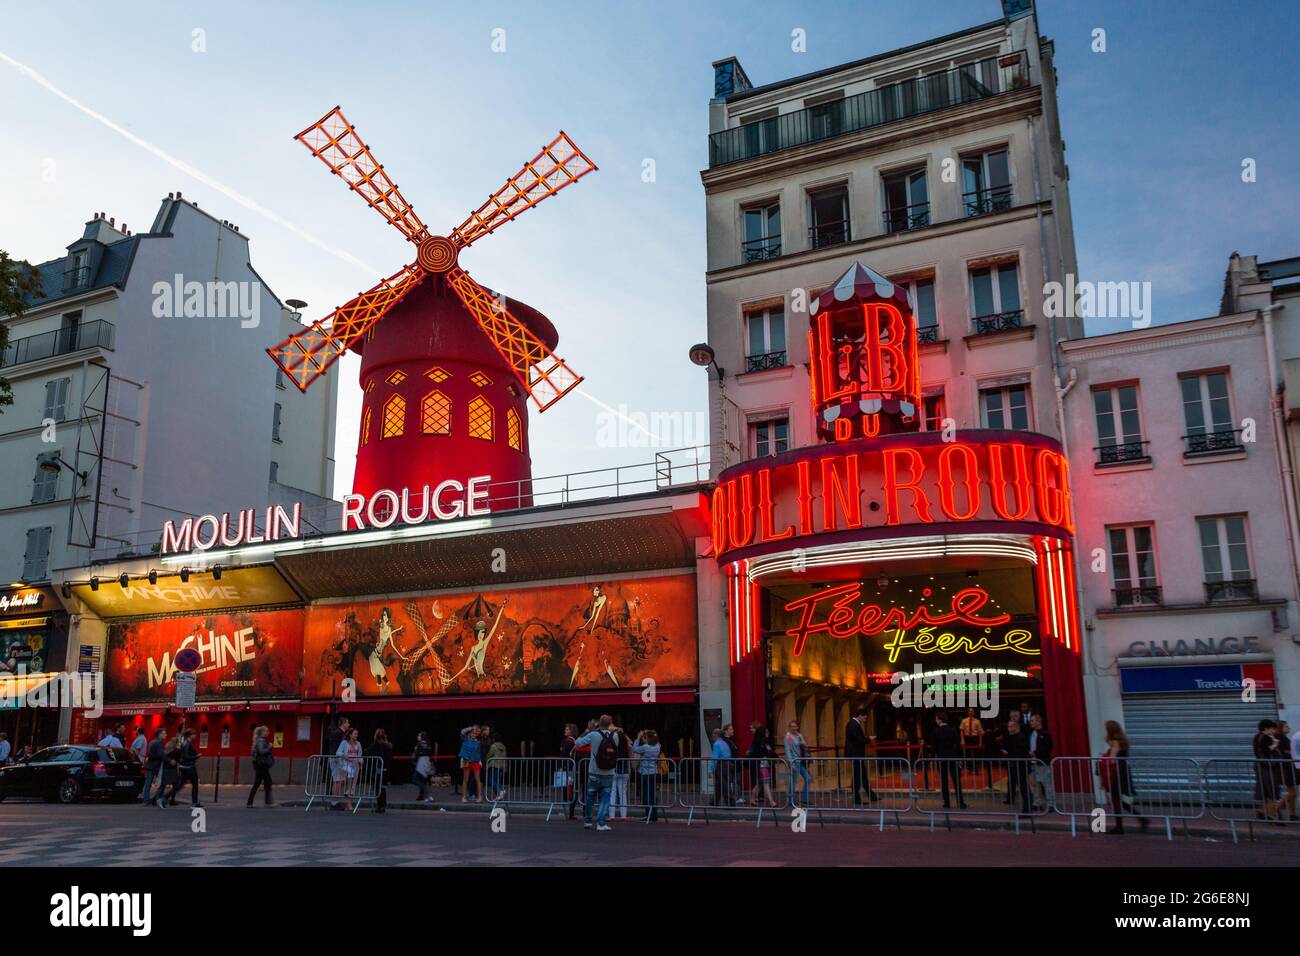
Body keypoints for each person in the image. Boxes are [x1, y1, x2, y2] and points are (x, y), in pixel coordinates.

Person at [574, 714, 619, 831]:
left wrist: (587, 730)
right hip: (608, 772)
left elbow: (578, 743)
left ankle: (588, 821)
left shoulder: (593, 735)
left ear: (599, 723)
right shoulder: (615, 736)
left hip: (594, 771)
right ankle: (601, 823)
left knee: (590, 798)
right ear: (610, 724)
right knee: (605, 799)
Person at [1102, 720, 1148, 833]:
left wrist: (1104, 757)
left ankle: (1121, 825)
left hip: (1116, 772)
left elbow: (1112, 760)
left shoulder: (1115, 742)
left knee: (1116, 799)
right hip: (1123, 771)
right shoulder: (1122, 741)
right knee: (1117, 799)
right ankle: (1139, 819)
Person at [930, 712, 967, 810]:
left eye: (936, 719)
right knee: (956, 781)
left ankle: (946, 802)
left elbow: (934, 747)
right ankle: (960, 802)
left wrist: (932, 757)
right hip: (953, 757)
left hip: (942, 758)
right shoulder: (953, 730)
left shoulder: (936, 731)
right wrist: (960, 758)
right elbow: (958, 745)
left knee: (944, 781)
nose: (935, 720)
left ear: (940, 720)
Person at [1253, 719, 1285, 823]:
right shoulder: (1265, 738)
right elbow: (1266, 750)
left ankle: (1262, 811)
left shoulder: (1257, 737)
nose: (1274, 730)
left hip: (1261, 766)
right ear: (1266, 728)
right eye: (1272, 728)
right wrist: (1275, 744)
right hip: (1267, 767)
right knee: (1271, 790)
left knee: (1264, 789)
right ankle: (1273, 816)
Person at [844, 707, 878, 804]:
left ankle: (872, 796)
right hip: (856, 754)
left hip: (857, 754)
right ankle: (857, 799)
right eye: (864, 718)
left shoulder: (853, 724)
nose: (865, 720)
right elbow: (859, 740)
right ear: (859, 716)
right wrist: (869, 739)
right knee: (857, 777)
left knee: (862, 776)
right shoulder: (854, 725)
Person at [1000, 717, 1031, 815]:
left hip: (1020, 766)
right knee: (1021, 786)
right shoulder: (1012, 738)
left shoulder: (1020, 737)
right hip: (1014, 766)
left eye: (1011, 726)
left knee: (1023, 787)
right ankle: (1026, 806)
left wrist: (1008, 754)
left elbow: (1020, 752)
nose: (1009, 728)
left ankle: (1027, 808)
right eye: (1008, 727)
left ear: (1016, 727)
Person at [632, 730, 662, 822]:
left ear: (648, 739)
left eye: (645, 737)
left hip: (645, 773)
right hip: (654, 772)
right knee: (652, 794)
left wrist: (638, 738)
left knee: (646, 795)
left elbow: (635, 749)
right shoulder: (658, 746)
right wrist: (649, 734)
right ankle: (653, 814)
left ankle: (648, 814)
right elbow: (656, 741)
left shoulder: (645, 747)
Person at [1027, 715, 1055, 811]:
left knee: (1046, 783)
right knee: (1035, 784)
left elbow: (1049, 747)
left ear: (1038, 722)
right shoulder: (1031, 734)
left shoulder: (1045, 734)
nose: (1031, 722)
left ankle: (1051, 804)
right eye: (1030, 721)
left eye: (1033, 721)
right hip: (1033, 762)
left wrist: (1036, 753)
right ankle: (1037, 802)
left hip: (1042, 762)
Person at [747, 725, 778, 808]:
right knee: (766, 783)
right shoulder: (760, 742)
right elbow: (759, 753)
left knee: (760, 784)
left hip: (764, 764)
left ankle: (752, 799)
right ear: (763, 733)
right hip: (762, 765)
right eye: (767, 731)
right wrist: (768, 750)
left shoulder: (763, 741)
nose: (768, 733)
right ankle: (771, 802)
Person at [335, 727, 364, 811]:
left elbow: (360, 756)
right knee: (350, 772)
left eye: (357, 734)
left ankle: (349, 804)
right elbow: (338, 752)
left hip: (355, 765)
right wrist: (345, 756)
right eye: (355, 734)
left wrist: (361, 762)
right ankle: (347, 789)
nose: (356, 735)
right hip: (345, 764)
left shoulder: (358, 744)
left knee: (353, 786)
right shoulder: (344, 743)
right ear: (350, 734)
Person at [784, 720, 812, 806]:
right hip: (794, 762)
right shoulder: (788, 737)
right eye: (791, 726)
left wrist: (804, 743)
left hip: (801, 761)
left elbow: (805, 746)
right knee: (793, 781)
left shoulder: (799, 735)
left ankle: (804, 799)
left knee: (808, 779)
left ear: (797, 727)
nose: (793, 728)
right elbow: (788, 751)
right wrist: (791, 763)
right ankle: (790, 800)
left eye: (795, 726)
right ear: (789, 727)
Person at [366, 728, 393, 813]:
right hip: (385, 769)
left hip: (378, 768)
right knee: (382, 787)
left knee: (378, 787)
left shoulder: (376, 745)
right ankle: (382, 805)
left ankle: (380, 805)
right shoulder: (388, 745)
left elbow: (367, 751)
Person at [247, 725, 275, 807]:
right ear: (263, 732)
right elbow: (261, 751)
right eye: (267, 731)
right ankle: (268, 802)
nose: (268, 733)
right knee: (267, 782)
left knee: (261, 783)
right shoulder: (260, 741)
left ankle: (250, 802)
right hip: (261, 765)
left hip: (260, 765)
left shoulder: (261, 740)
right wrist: (269, 747)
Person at [609, 723, 631, 819]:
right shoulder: (624, 738)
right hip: (624, 767)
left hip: (613, 767)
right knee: (623, 793)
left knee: (612, 792)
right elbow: (631, 743)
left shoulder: (612, 737)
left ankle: (612, 815)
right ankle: (623, 815)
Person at [1278, 720, 1299, 821]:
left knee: (1293, 792)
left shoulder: (1284, 738)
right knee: (1293, 792)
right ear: (1280, 728)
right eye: (1286, 726)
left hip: (1290, 768)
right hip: (1286, 769)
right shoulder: (1280, 739)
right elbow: (1285, 752)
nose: (1288, 728)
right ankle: (1276, 807)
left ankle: (1292, 814)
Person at [155, 733, 182, 808]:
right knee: (175, 785)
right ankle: (171, 800)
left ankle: (157, 799)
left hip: (165, 769)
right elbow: (179, 760)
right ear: (176, 743)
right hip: (172, 770)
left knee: (163, 785)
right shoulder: (177, 750)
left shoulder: (166, 748)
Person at [458, 725, 483, 803]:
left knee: (477, 780)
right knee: (465, 780)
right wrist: (471, 728)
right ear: (469, 734)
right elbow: (462, 731)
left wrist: (480, 761)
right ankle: (464, 797)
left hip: (475, 762)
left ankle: (479, 797)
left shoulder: (478, 742)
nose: (473, 735)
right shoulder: (465, 739)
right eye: (472, 733)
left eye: (475, 734)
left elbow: (479, 753)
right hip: (467, 762)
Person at [143, 728, 167, 806]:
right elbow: (161, 754)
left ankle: (147, 800)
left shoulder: (152, 742)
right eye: (164, 733)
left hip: (151, 765)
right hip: (155, 765)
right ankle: (157, 799)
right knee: (161, 783)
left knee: (148, 783)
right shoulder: (158, 743)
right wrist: (169, 760)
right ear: (160, 734)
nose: (166, 735)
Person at [560, 724, 579, 819]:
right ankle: (569, 813)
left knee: (569, 789)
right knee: (569, 789)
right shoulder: (569, 741)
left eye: (567, 729)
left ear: (571, 731)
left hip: (569, 768)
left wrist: (561, 766)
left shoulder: (568, 742)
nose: (565, 730)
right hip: (569, 767)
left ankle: (569, 813)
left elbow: (563, 755)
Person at [411, 731, 434, 803]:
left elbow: (416, 754)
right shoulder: (428, 743)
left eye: (419, 735)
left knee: (415, 779)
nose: (417, 736)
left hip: (421, 762)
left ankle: (429, 795)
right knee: (422, 780)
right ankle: (421, 796)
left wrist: (415, 752)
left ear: (421, 737)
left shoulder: (420, 744)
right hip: (427, 762)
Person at [485, 732, 508, 801]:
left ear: (493, 739)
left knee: (491, 780)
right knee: (497, 781)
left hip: (494, 765)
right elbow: (505, 756)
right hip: (502, 766)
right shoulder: (503, 746)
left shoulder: (493, 746)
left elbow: (489, 755)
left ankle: (500, 790)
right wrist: (505, 767)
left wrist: (486, 759)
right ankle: (500, 795)